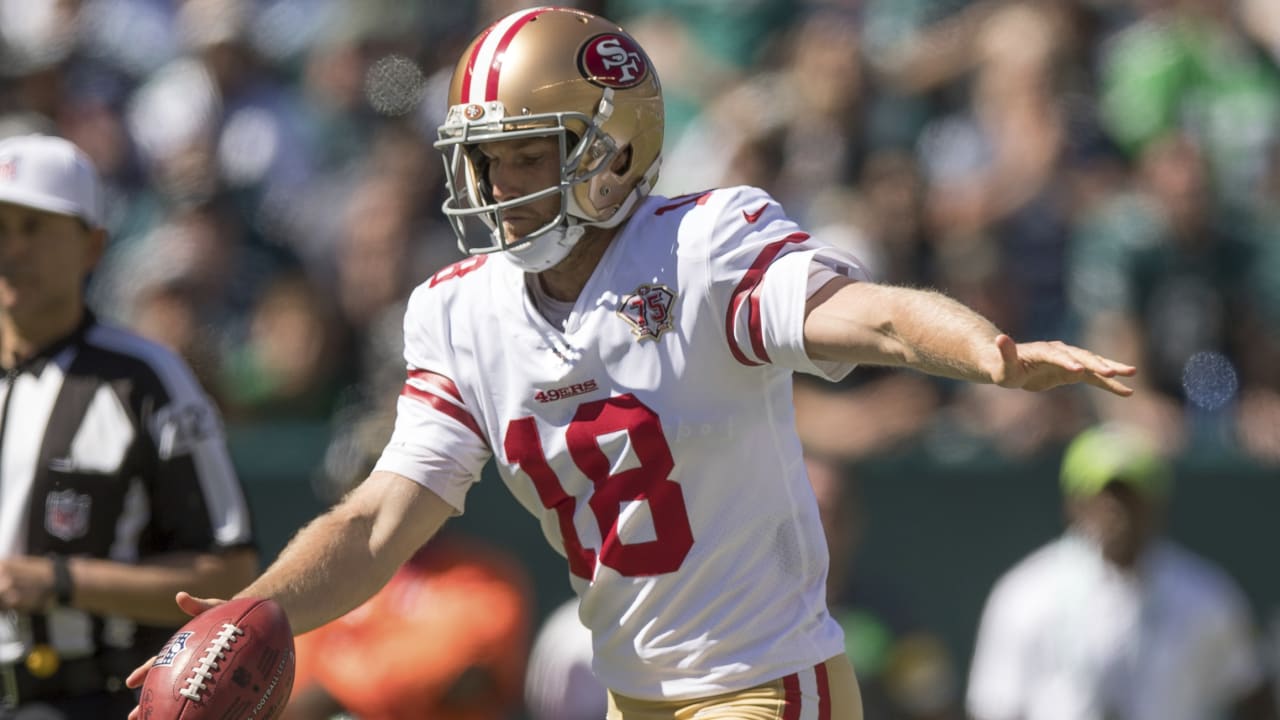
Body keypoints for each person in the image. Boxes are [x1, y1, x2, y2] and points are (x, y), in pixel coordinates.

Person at [127, 8, 1135, 720]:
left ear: (612, 148)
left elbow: (858, 316)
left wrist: (984, 353)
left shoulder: (701, 244)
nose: (499, 184)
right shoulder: (456, 309)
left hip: (765, 685)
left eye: (529, 155)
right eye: (487, 158)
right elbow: (380, 517)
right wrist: (257, 609)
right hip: (631, 696)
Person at [0, 133, 258, 718]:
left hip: (96, 696)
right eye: (1, 226)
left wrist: (59, 581)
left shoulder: (142, 378)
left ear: (92, 246)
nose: (12, 249)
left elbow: (230, 570)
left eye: (35, 228)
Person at [966, 423, 1277, 720]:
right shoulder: (1025, 594)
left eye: (1130, 495)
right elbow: (995, 707)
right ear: (1074, 503)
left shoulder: (1205, 594)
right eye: (1101, 494)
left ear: (1156, 504)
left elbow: (1251, 692)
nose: (1116, 510)